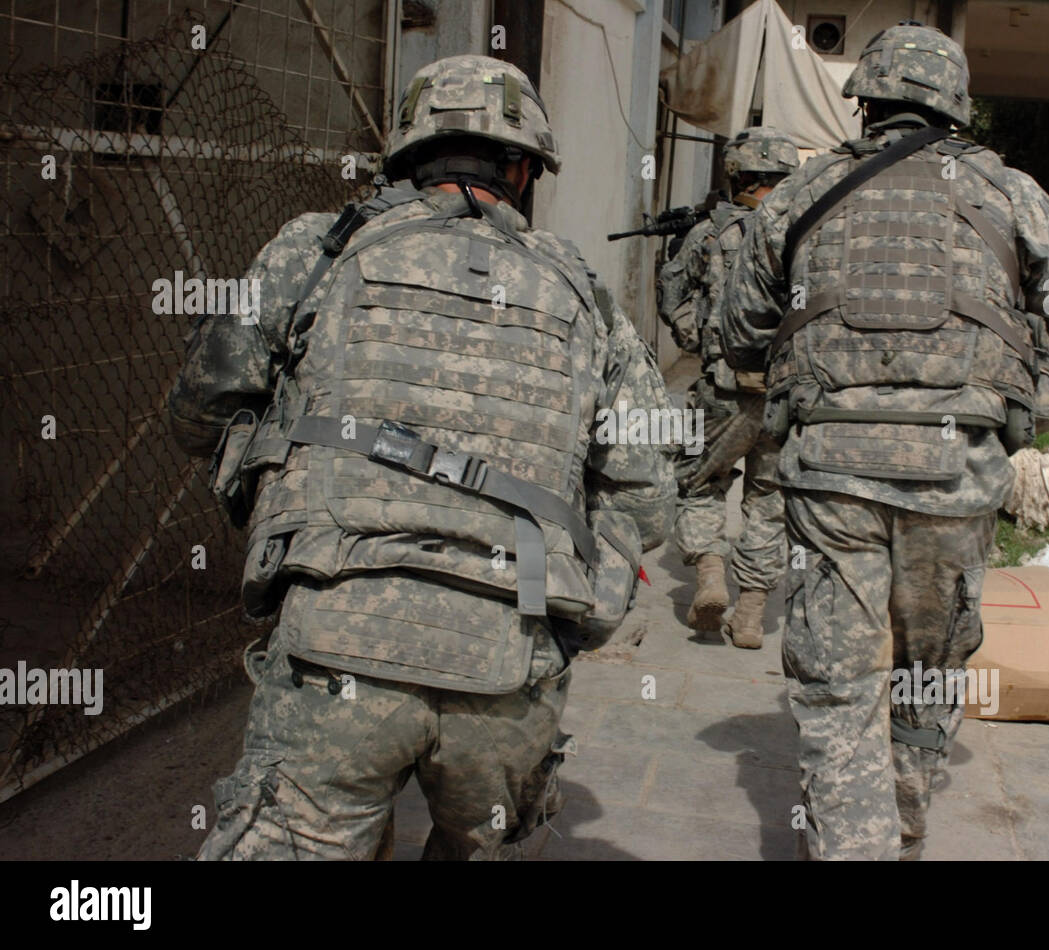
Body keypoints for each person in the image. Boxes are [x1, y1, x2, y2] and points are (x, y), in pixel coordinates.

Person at [168, 54, 675, 860]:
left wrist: (266, 488)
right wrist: (573, 605)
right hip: (508, 667)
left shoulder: (318, 250)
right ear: (522, 170)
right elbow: (646, 500)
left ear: (405, 159)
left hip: (336, 640)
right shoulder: (585, 294)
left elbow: (201, 408)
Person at [721, 23, 1049, 859]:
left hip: (833, 475)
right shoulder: (1005, 188)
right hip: (955, 475)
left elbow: (739, 331)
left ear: (864, 102)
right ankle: (901, 815)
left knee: (837, 685)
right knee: (927, 672)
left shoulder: (800, 190)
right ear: (955, 108)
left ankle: (852, 840)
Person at [656, 127, 799, 648]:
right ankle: (752, 613)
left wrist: (700, 338)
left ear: (736, 174)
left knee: (698, 482)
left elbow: (673, 298)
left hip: (722, 389)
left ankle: (712, 573)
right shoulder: (806, 233)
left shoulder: (708, 235)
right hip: (787, 394)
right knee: (769, 496)